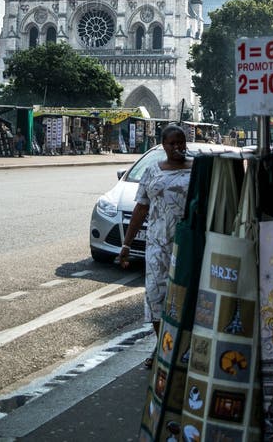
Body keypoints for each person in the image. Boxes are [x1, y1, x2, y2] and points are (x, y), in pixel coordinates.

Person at [119, 123, 192, 368]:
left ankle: (183, 348)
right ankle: (163, 346)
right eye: (172, 143)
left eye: (181, 142)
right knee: (156, 295)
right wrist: (127, 244)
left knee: (185, 296)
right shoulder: (152, 170)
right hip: (158, 244)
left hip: (188, 244)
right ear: (163, 145)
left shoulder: (198, 170)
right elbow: (141, 207)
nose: (177, 147)